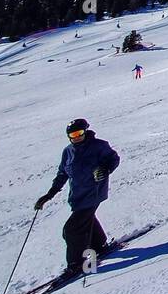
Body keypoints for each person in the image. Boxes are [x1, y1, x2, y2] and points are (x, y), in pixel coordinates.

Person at [34, 118, 121, 278]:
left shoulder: (98, 146)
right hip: (78, 196)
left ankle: (76, 264)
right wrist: (50, 194)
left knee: (72, 230)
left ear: (85, 131)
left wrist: (105, 168)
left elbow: (113, 159)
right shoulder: (68, 151)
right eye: (72, 134)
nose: (76, 137)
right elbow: (62, 173)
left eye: (79, 133)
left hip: (94, 192)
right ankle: (99, 245)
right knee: (86, 220)